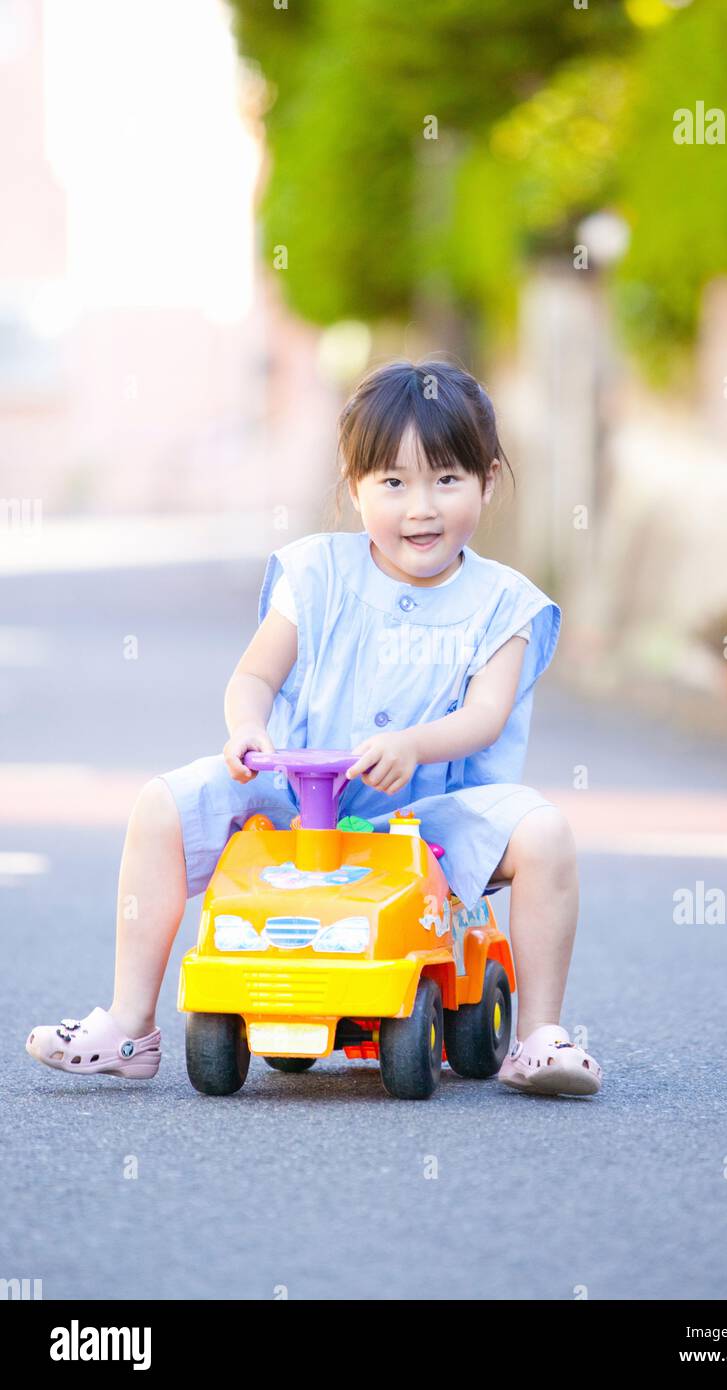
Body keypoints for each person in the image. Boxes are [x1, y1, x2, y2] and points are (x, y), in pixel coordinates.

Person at [26, 359, 602, 1097]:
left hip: (429, 818)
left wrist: (413, 745)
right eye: (393, 482)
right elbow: (255, 675)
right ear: (353, 484)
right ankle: (129, 1022)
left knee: (547, 831)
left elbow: (485, 716)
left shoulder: (504, 605)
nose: (420, 507)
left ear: (488, 480)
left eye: (447, 480)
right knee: (160, 802)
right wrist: (247, 729)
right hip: (298, 801)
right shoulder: (317, 575)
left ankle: (538, 1036)